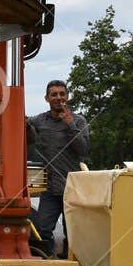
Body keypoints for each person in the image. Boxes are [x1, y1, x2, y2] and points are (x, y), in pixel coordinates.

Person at [28, 78, 88, 255]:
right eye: (53, 94)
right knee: (43, 229)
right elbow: (22, 127)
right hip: (50, 188)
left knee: (73, 232)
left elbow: (84, 149)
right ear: (47, 98)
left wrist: (70, 124)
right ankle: (49, 262)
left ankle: (69, 264)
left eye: (62, 94)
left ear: (67, 97)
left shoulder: (79, 121)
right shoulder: (39, 120)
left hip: (73, 187)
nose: (58, 97)